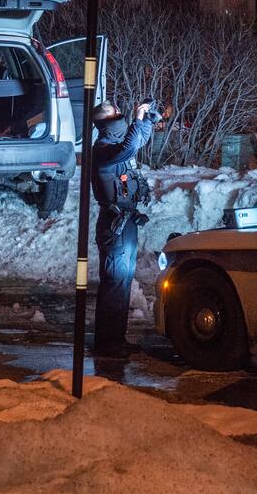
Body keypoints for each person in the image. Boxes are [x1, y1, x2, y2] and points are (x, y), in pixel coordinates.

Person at [89, 100, 157, 357]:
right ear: (109, 123)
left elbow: (135, 143)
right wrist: (138, 121)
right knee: (115, 281)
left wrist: (147, 121)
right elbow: (129, 147)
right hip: (114, 223)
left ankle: (117, 338)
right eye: (118, 115)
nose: (122, 117)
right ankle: (107, 343)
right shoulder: (104, 151)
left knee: (124, 281)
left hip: (126, 220)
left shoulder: (115, 147)